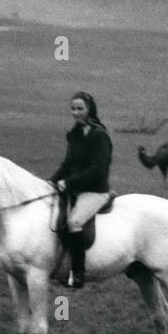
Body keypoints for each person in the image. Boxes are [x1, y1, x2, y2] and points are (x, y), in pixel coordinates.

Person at [50, 91, 112, 289]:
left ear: (89, 110)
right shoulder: (74, 134)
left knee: (74, 221)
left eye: (80, 109)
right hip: (75, 189)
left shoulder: (99, 135)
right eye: (73, 109)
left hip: (95, 191)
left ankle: (77, 275)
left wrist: (69, 182)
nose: (76, 113)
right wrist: (51, 181)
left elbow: (98, 170)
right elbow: (67, 164)